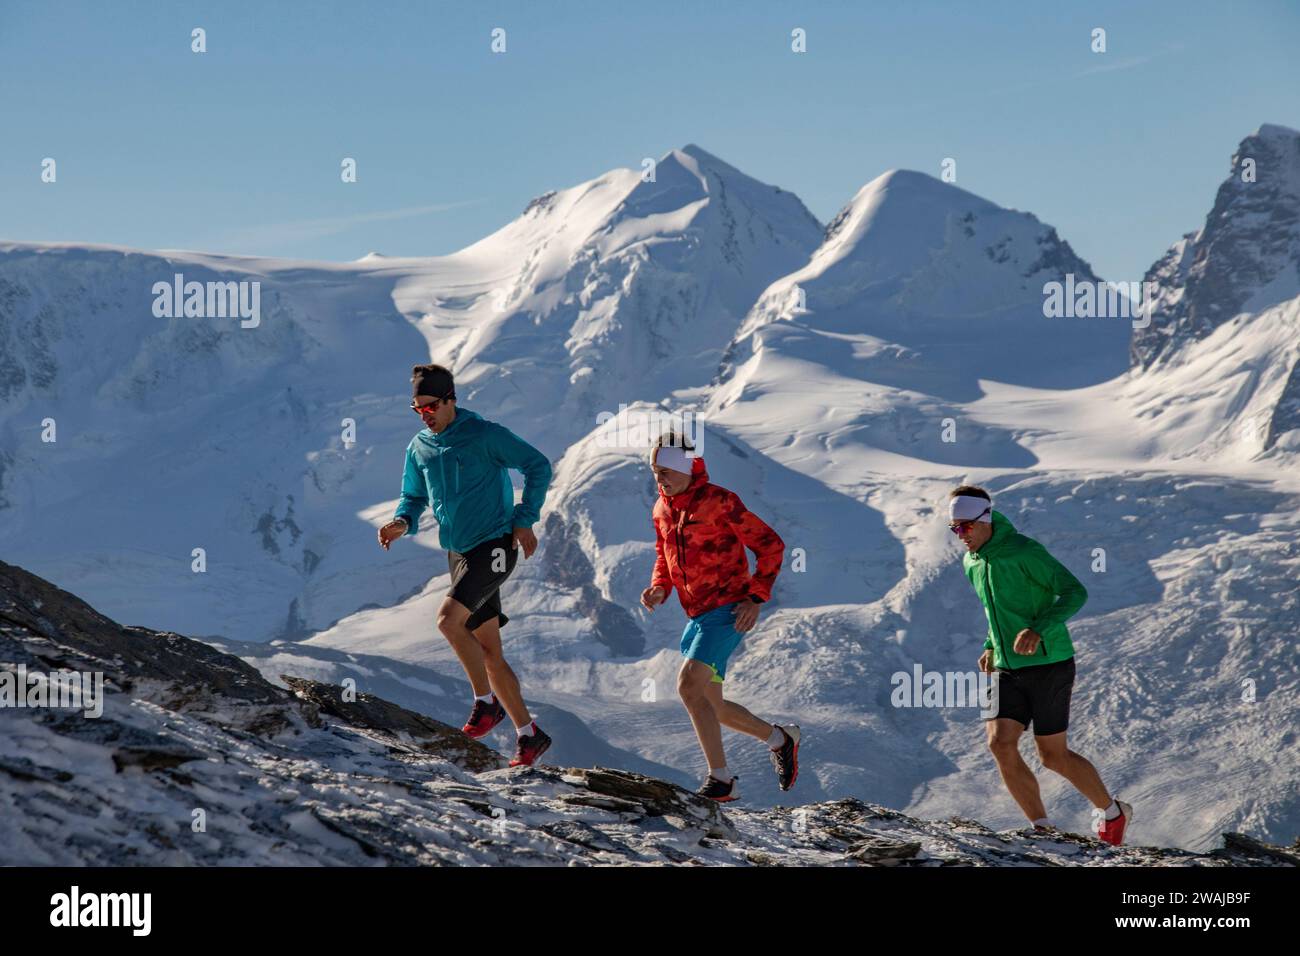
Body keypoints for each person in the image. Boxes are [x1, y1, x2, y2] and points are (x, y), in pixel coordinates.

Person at [378, 364, 554, 767]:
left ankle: (485, 704)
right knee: (489, 652)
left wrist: (525, 517)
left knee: (447, 621)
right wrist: (402, 522)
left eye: (432, 406)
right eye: (417, 408)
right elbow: (413, 494)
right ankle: (529, 735)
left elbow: (537, 465)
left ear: (451, 400)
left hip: (494, 544)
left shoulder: (485, 434)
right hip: (457, 552)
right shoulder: (419, 446)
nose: (426, 414)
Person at [949, 485, 1132, 845]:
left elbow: (1074, 591)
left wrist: (1038, 628)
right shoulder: (971, 562)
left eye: (964, 527)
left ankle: (1112, 812)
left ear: (985, 520)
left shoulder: (1024, 551)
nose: (960, 536)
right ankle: (1043, 828)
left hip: (1050, 663)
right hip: (1005, 666)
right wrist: (990, 645)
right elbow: (995, 610)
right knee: (1000, 744)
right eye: (954, 528)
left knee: (1052, 756)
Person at [639, 432, 798, 801]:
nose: (658, 479)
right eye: (653, 471)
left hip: (728, 609)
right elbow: (664, 554)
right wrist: (660, 586)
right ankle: (781, 739)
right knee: (716, 706)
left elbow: (770, 545)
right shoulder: (662, 509)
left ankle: (721, 780)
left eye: (664, 470)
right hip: (696, 614)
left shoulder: (719, 502)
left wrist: (756, 597)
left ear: (684, 469)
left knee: (687, 686)